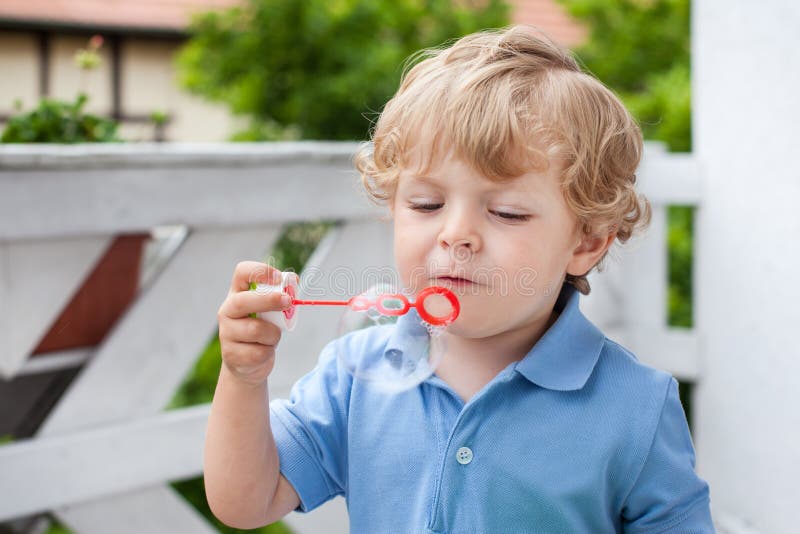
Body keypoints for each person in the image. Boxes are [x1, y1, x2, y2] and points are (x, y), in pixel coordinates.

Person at [205, 26, 715, 533]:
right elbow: (246, 502)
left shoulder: (635, 406)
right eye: (427, 204)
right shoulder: (355, 374)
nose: (456, 235)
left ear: (585, 243)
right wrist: (244, 379)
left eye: (508, 212)